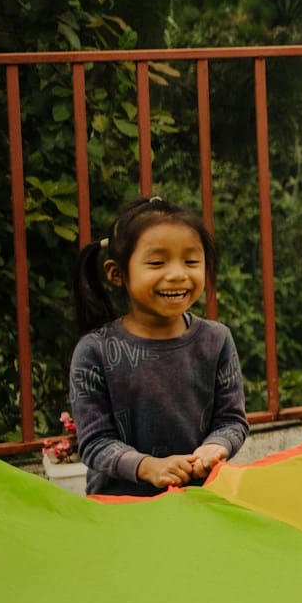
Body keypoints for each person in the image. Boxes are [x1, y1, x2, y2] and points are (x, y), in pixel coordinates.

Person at [68, 196, 248, 496]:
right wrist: (149, 467)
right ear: (117, 273)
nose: (178, 274)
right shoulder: (94, 350)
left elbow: (231, 420)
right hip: (121, 514)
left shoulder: (216, 340)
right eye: (156, 262)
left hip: (202, 504)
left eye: (191, 261)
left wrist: (215, 448)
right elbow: (95, 442)